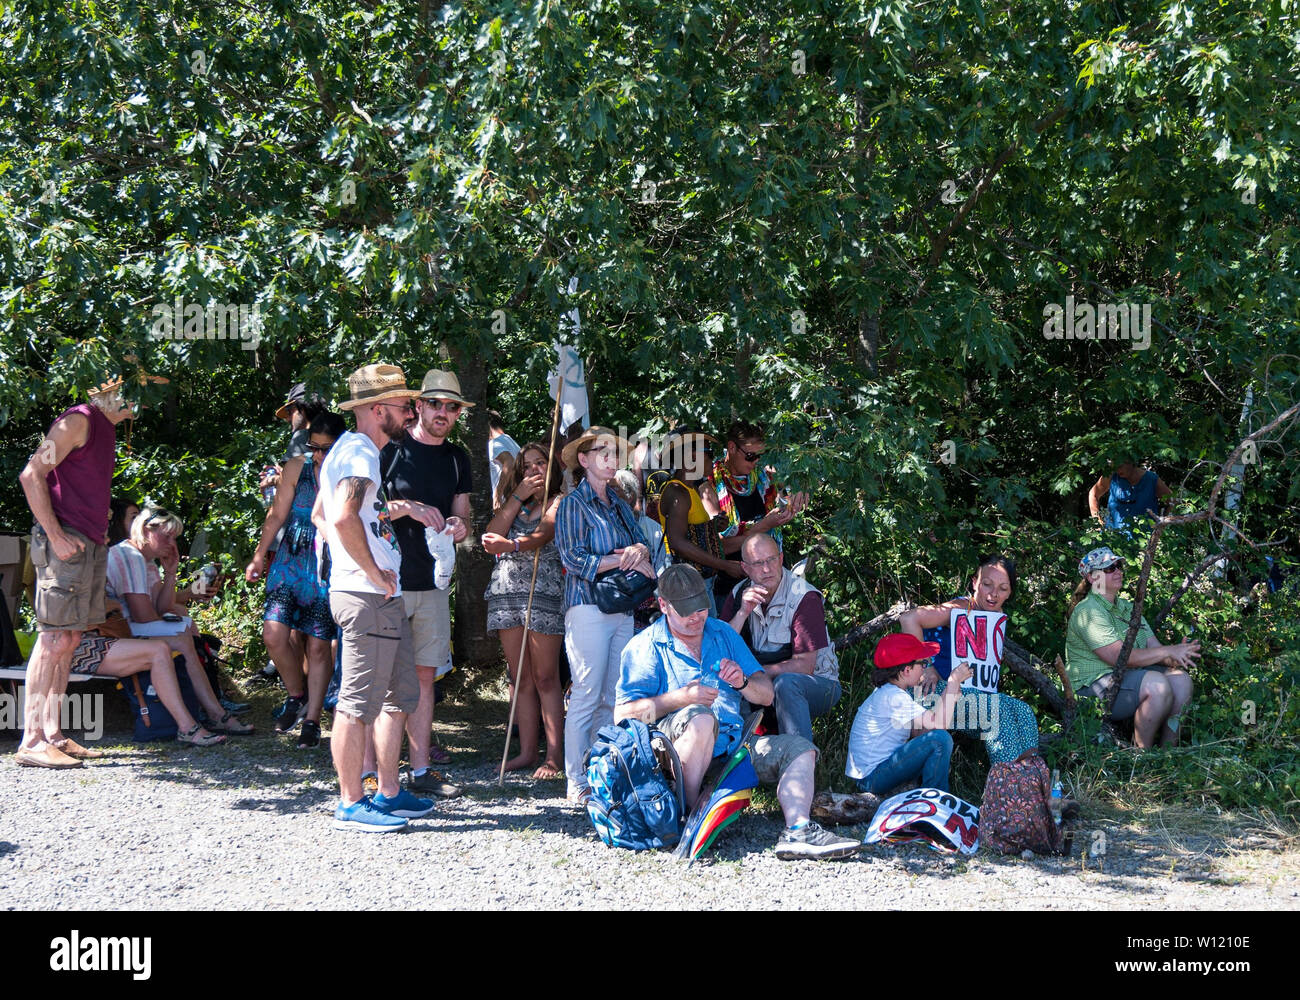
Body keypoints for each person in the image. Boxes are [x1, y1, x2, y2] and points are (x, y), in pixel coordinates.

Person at [616, 564, 860, 860]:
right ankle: (688, 815)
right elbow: (624, 716)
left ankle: (799, 830)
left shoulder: (722, 633)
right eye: (686, 611)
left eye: (701, 609)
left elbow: (767, 695)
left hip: (732, 747)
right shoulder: (645, 646)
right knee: (702, 718)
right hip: (673, 755)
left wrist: (742, 682)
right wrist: (679, 698)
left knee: (800, 749)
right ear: (664, 605)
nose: (696, 618)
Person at [15, 368, 162, 767]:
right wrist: (57, 537)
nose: (142, 399)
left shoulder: (105, 427)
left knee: (71, 640)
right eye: (137, 388)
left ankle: (54, 735)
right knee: (53, 639)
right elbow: (31, 475)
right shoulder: (76, 421)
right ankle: (31, 741)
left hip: (89, 545)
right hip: (65, 543)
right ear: (112, 389)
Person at [312, 363, 435, 831]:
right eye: (405, 406)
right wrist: (370, 570)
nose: (411, 413)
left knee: (398, 694)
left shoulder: (348, 450)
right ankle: (350, 801)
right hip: (367, 596)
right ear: (377, 409)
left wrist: (383, 526)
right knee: (357, 701)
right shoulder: (361, 452)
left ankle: (388, 792)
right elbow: (341, 517)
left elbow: (327, 515)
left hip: (377, 595)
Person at [379, 369, 473, 798]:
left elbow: (465, 519)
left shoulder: (458, 458)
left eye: (452, 407)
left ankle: (419, 771)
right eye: (435, 404)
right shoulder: (390, 450)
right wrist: (409, 508)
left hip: (433, 586)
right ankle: (373, 775)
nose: (443, 413)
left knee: (422, 679)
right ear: (417, 406)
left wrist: (458, 525)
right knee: (381, 682)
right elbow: (367, 511)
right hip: (387, 581)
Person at [553, 425, 654, 803]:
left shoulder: (619, 503)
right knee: (585, 692)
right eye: (603, 452)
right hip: (587, 607)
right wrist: (622, 558)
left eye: (614, 452)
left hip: (621, 605)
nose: (611, 459)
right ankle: (575, 780)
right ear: (584, 459)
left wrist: (639, 553)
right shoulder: (571, 504)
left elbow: (640, 542)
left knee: (613, 694)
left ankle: (601, 770)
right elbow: (572, 558)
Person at [105, 506, 253, 735]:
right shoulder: (129, 555)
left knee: (183, 624)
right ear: (146, 531)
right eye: (166, 535)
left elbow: (162, 607)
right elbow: (144, 616)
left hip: (126, 626)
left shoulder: (146, 560)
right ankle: (214, 713)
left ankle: (209, 709)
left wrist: (171, 573)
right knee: (183, 637)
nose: (171, 543)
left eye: (174, 536)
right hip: (112, 631)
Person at [244, 412, 344, 748]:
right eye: (314, 447)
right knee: (273, 633)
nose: (319, 455)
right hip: (291, 556)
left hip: (326, 561)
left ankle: (313, 720)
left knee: (318, 644)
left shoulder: (348, 472)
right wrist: (259, 554)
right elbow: (276, 515)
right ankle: (296, 695)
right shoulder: (296, 468)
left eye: (326, 448)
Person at [897, 554, 1041, 765]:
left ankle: (1030, 782)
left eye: (1002, 588)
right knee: (997, 709)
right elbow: (908, 619)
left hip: (971, 697)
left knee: (1023, 711)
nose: (993, 594)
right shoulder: (962, 608)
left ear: (1010, 592)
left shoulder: (995, 616)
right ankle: (1005, 788)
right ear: (975, 583)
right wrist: (926, 665)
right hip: (938, 695)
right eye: (987, 585)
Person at [482, 441, 565, 778]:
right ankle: (528, 752)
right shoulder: (512, 502)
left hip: (543, 592)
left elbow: (543, 534)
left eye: (540, 463)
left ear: (551, 468)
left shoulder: (560, 500)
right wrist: (515, 496)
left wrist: (513, 545)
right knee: (521, 678)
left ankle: (555, 757)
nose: (534, 469)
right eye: (527, 464)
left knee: (546, 676)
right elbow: (491, 536)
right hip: (507, 594)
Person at [1065, 546, 1199, 748]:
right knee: (1157, 685)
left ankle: (1168, 753)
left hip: (1125, 679)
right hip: (1091, 687)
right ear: (1092, 577)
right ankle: (1139, 759)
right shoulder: (1088, 611)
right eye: (1109, 568)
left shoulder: (1128, 608)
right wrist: (1167, 651)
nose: (1118, 571)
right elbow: (1119, 658)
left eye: (1118, 565)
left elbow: (1156, 650)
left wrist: (1178, 654)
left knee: (1181, 681)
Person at [721, 533, 841, 741]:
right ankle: (738, 758)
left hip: (818, 684)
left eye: (771, 560)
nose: (767, 569)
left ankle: (798, 758)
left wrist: (750, 676)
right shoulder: (739, 593)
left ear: (781, 558)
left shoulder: (804, 596)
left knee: (786, 684)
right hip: (759, 682)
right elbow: (719, 647)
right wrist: (742, 613)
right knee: (720, 680)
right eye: (758, 563)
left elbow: (804, 667)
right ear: (745, 568)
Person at [69, 598, 225, 746]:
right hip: (77, 646)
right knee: (158, 650)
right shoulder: (62, 578)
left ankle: (198, 720)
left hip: (100, 636)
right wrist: (105, 611)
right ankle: (187, 727)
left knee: (164, 646)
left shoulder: (85, 576)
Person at [845, 633, 973, 794]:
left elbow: (921, 732)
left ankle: (927, 797)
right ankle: (933, 801)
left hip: (873, 774)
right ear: (907, 670)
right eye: (923, 664)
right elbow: (939, 726)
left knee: (937, 738)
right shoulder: (894, 696)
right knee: (941, 740)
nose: (925, 668)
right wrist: (953, 681)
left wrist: (950, 692)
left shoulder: (889, 691)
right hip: (871, 778)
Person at [705, 420, 808, 597]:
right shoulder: (710, 484)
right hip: (734, 585)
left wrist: (798, 490)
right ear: (731, 447)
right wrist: (764, 526)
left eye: (761, 455)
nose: (756, 461)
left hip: (773, 577)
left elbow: (792, 483)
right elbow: (720, 545)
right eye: (751, 456)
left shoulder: (763, 474)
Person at [656, 430, 744, 613]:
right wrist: (724, 565)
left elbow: (690, 532)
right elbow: (677, 542)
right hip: (689, 587)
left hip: (701, 582)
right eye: (709, 454)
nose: (712, 460)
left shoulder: (691, 489)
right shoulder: (677, 492)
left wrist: (712, 527)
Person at [1088, 458, 1171, 532]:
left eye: (1120, 466)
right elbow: (1093, 494)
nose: (1117, 470)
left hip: (1146, 538)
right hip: (1114, 538)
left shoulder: (1151, 479)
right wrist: (1097, 522)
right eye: (1114, 467)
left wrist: (1163, 526)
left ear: (1131, 463)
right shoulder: (1112, 476)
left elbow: (1173, 502)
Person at [487, 409, 522, 507]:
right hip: (516, 501)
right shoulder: (510, 440)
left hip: (505, 504)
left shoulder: (494, 444)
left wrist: (498, 496)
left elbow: (509, 463)